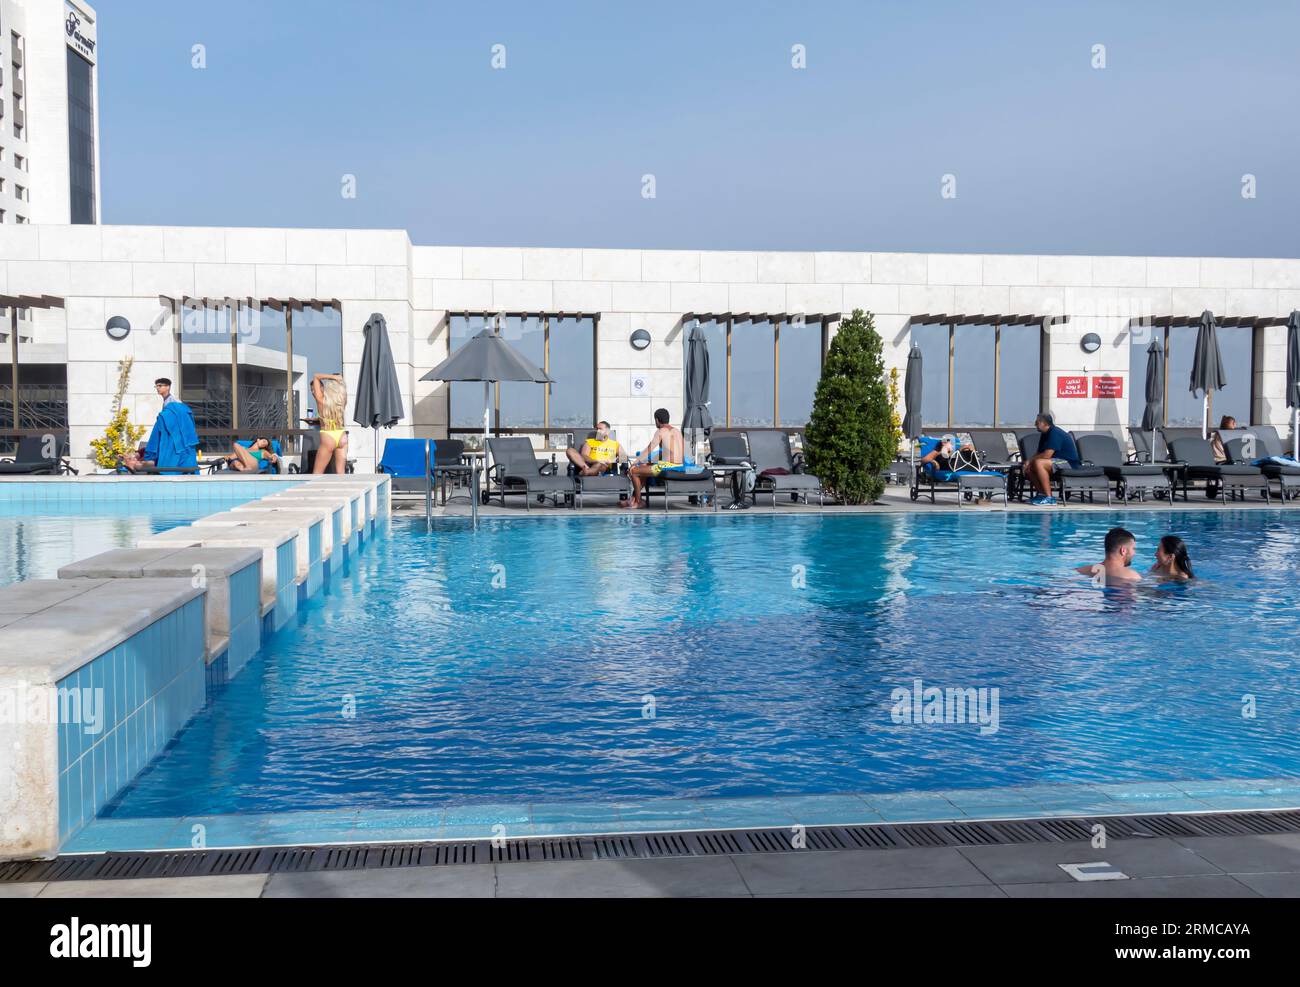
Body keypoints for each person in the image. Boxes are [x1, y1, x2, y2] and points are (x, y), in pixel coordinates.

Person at [624, 408, 685, 509]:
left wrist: (634, 463)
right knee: (644, 467)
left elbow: (649, 450)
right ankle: (633, 498)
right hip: (679, 465)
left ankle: (638, 502)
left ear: (657, 420)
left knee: (634, 471)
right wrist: (649, 463)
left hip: (666, 467)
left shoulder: (661, 431)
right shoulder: (677, 431)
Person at [1023, 412, 1081, 506]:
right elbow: (1039, 452)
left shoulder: (1055, 433)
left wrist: (1031, 460)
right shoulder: (1045, 433)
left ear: (1045, 424)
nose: (1035, 424)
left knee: (1039, 463)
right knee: (1030, 468)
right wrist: (1028, 462)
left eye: (1037, 422)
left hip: (1068, 463)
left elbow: (1046, 455)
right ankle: (1042, 495)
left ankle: (1049, 498)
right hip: (1056, 461)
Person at [141, 395, 200, 472]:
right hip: (190, 468)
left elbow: (152, 447)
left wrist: (146, 458)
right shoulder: (188, 416)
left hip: (168, 469)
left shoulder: (163, 417)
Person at [1075, 526, 1141, 585]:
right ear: (1123, 551)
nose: (1134, 552)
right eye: (1133, 548)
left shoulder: (1082, 570)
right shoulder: (1132, 576)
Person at [311, 372, 348, 474]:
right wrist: (338, 380)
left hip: (328, 436)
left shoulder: (321, 400)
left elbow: (316, 376)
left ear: (328, 388)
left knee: (317, 474)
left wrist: (333, 377)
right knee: (341, 474)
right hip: (341, 435)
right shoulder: (342, 401)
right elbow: (343, 388)